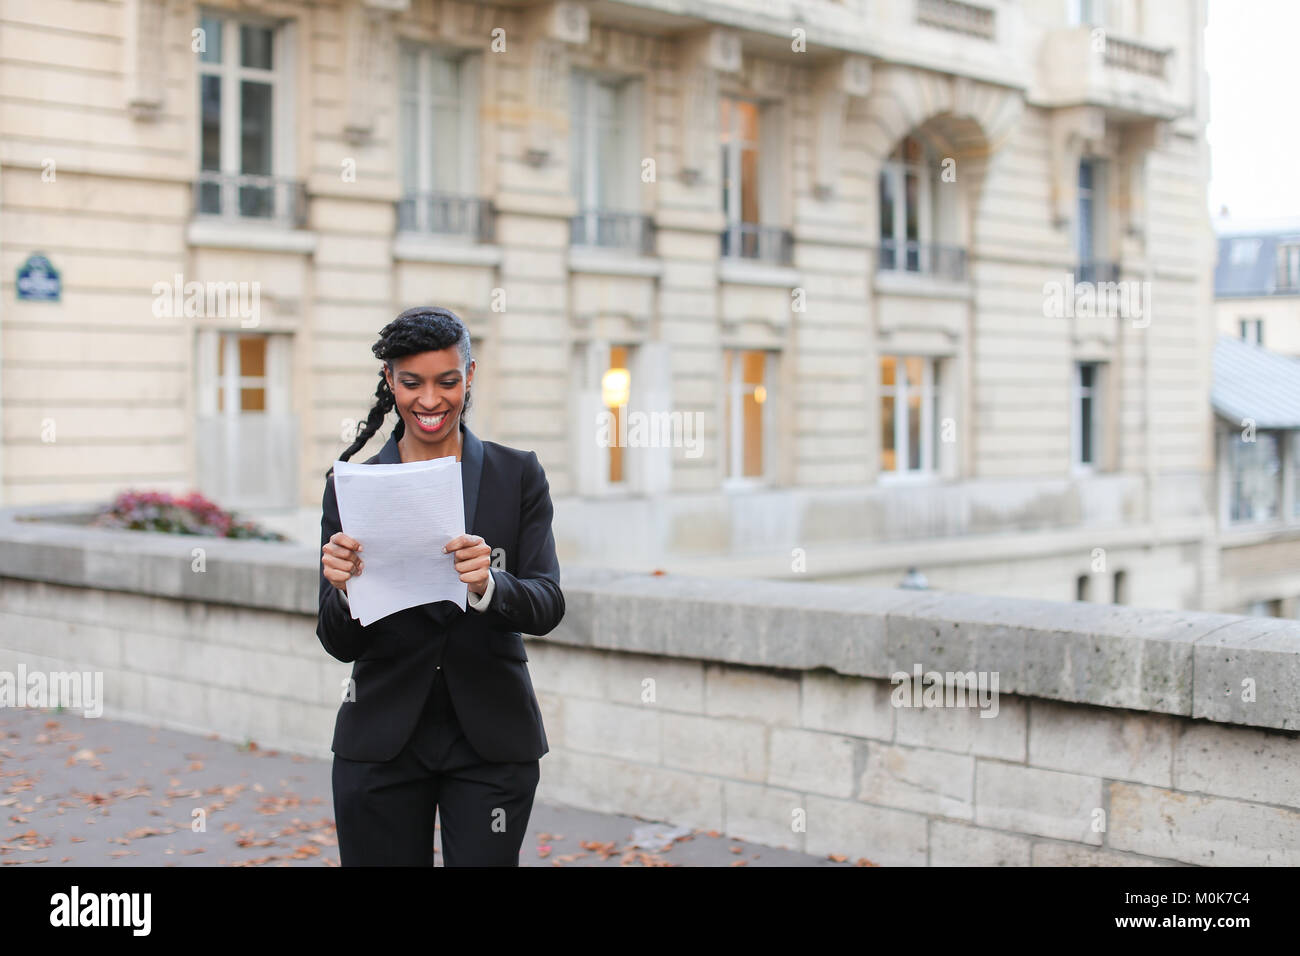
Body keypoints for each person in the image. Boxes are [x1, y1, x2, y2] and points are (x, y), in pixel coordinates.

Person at [317, 305, 564, 866]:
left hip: (492, 745)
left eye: (447, 381)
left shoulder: (517, 473)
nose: (430, 400)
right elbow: (337, 642)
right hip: (380, 745)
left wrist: (490, 585)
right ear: (390, 382)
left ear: (470, 376)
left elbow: (548, 603)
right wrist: (342, 589)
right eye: (412, 382)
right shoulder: (352, 486)